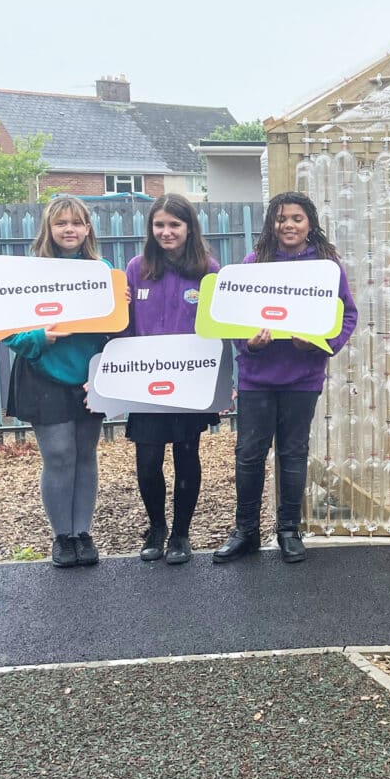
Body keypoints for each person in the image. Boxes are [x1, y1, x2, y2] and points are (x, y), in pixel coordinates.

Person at [214, 192, 357, 566]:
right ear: (271, 224)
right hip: (256, 377)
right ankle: (245, 532)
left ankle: (289, 531)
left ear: (310, 222)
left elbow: (348, 316)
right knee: (248, 455)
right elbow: (231, 318)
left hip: (302, 377)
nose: (289, 225)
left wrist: (320, 345)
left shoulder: (327, 267)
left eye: (296, 218)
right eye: (281, 219)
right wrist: (249, 345)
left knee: (293, 454)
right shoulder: (252, 264)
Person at [4, 196, 111, 569]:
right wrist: (39, 337)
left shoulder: (103, 272)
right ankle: (61, 537)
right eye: (61, 223)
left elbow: (115, 328)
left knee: (85, 455)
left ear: (88, 229)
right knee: (59, 454)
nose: (70, 230)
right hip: (42, 373)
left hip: (88, 376)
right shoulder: (29, 275)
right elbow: (6, 331)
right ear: (48, 229)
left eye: (78, 223)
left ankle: (83, 533)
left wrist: (104, 374)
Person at [123, 195, 221, 566]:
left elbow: (218, 332)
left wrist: (219, 382)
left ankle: (181, 533)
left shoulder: (208, 270)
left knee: (186, 455)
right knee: (148, 459)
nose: (166, 232)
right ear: (151, 229)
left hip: (189, 384)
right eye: (159, 225)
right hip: (144, 383)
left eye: (174, 225)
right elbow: (123, 330)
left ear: (188, 228)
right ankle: (156, 528)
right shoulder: (136, 268)